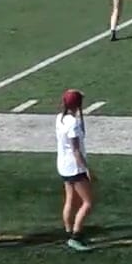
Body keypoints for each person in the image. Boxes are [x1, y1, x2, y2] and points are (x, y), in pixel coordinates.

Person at [56, 89, 93, 252]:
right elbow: (76, 150)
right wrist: (87, 169)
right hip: (74, 166)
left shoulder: (60, 118)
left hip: (63, 165)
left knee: (70, 199)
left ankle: (68, 230)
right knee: (88, 202)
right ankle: (76, 235)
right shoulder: (73, 123)